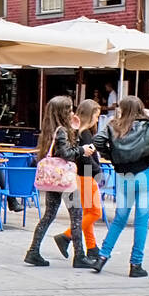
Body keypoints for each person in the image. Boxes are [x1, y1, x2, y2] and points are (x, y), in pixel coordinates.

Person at [89, 96, 149, 278]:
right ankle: (136, 264)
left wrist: (111, 156)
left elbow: (97, 141)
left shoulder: (113, 125)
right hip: (144, 174)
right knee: (142, 220)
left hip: (122, 175)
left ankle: (102, 256)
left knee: (119, 218)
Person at [23, 97, 95, 269]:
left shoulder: (51, 130)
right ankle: (80, 256)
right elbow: (65, 153)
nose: (72, 112)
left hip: (53, 178)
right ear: (62, 111)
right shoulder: (62, 130)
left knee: (49, 215)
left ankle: (33, 251)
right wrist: (82, 150)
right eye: (69, 109)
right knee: (77, 215)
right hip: (65, 178)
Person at [56, 99, 104, 263]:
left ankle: (92, 248)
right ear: (89, 115)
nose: (97, 120)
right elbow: (85, 158)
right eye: (96, 116)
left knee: (89, 213)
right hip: (86, 174)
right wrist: (98, 171)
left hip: (81, 175)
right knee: (96, 213)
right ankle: (66, 236)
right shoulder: (85, 134)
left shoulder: (77, 131)